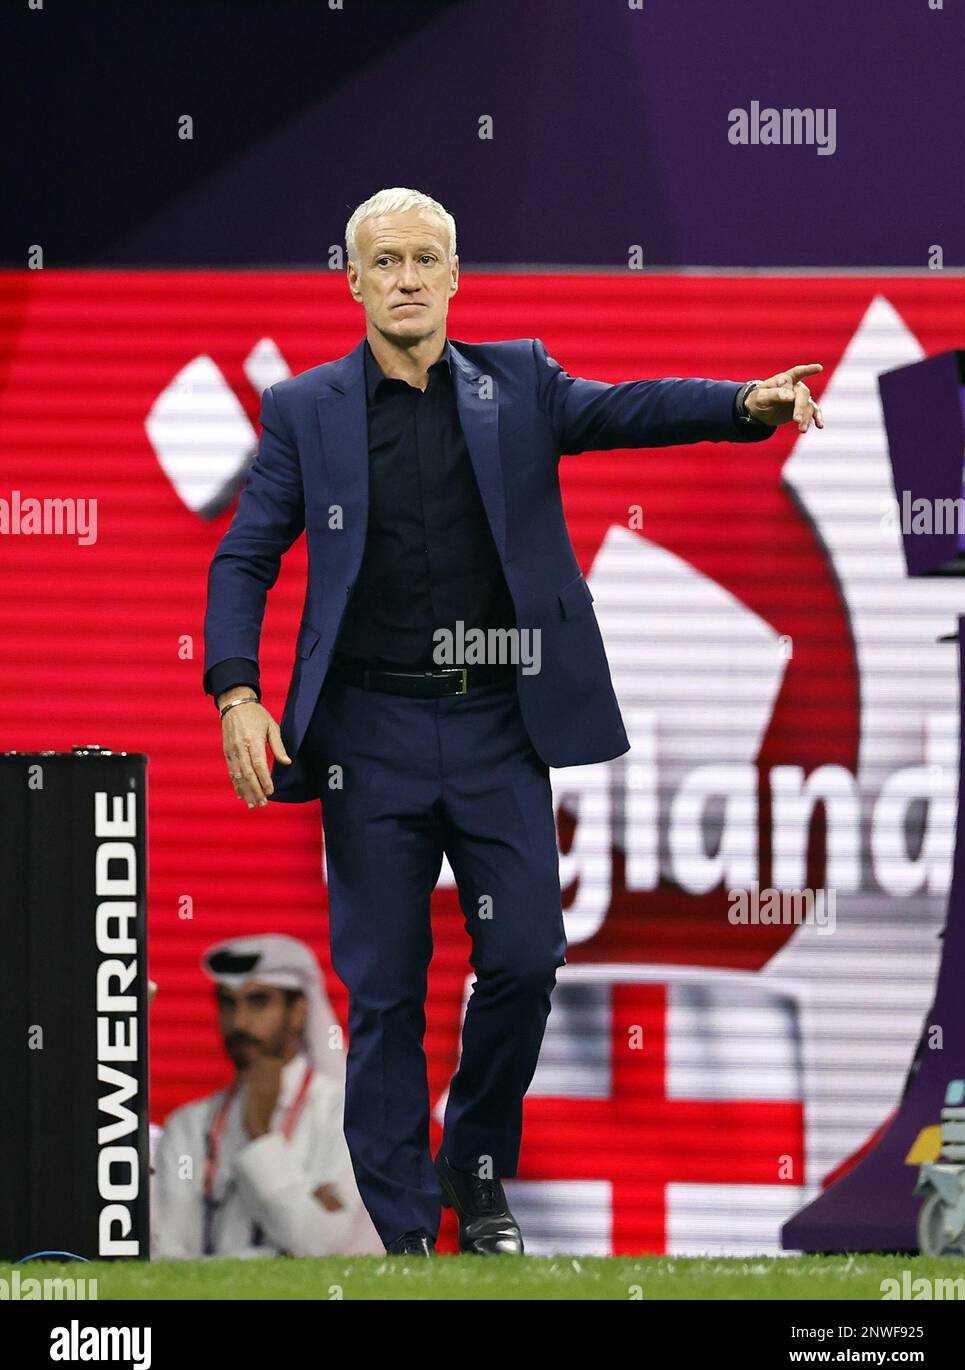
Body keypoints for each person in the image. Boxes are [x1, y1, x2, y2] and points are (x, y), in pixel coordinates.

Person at [202, 187, 825, 1256]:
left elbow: (628, 408)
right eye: (383, 261)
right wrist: (237, 692)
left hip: (496, 724)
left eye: (424, 259)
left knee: (527, 958)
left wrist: (741, 404)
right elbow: (245, 555)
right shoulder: (304, 410)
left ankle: (473, 1167)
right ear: (350, 282)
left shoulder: (518, 383)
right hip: (366, 738)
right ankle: (406, 1239)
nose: (405, 277)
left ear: (455, 277)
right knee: (386, 991)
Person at [150, 933, 382, 1259]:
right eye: (227, 1003)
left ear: (299, 1011)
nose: (239, 1022)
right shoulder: (189, 1124)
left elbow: (326, 1250)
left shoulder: (349, 1116)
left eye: (258, 1002)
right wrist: (275, 1251)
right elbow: (163, 1257)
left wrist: (260, 1137)